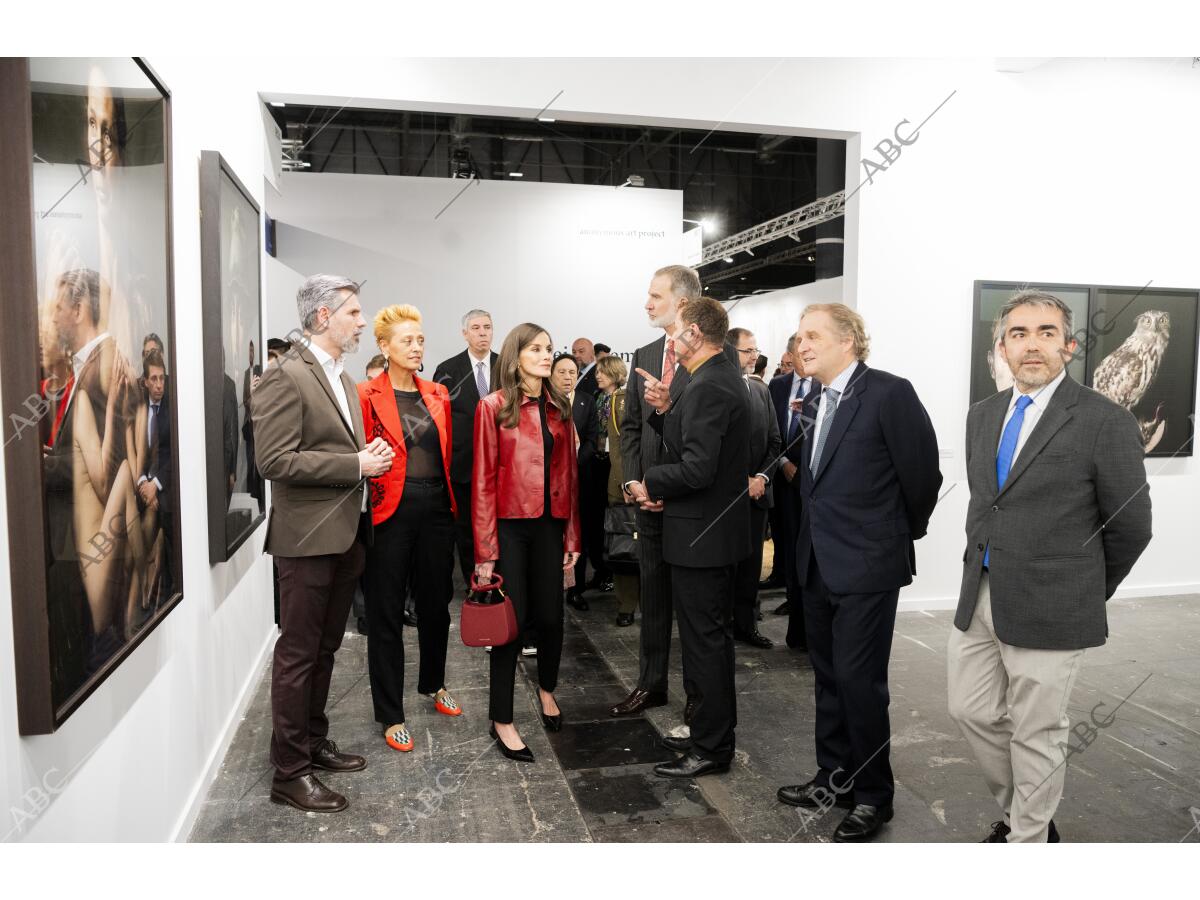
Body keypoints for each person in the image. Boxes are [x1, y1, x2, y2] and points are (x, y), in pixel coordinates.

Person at [949, 290, 1152, 843]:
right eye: (1018, 334)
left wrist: (1083, 588)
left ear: (1070, 344)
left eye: (1045, 332)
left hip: (1054, 603)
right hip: (982, 594)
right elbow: (985, 504)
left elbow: (1131, 527)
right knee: (970, 711)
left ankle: (1029, 842)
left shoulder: (1103, 420)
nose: (1031, 345)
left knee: (1037, 732)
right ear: (1002, 347)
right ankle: (1023, 812)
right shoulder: (983, 414)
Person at [776, 303, 942, 842]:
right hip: (818, 562)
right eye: (799, 337)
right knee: (827, 677)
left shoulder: (890, 393)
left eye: (813, 336)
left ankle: (874, 796)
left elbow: (922, 477)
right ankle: (835, 777)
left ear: (849, 340)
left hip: (868, 565)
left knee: (860, 682)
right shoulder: (818, 399)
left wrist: (893, 537)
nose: (802, 345)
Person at [253, 274, 394, 814]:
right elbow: (275, 462)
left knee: (326, 649)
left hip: (346, 535)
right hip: (307, 539)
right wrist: (355, 464)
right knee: (297, 654)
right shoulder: (285, 376)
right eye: (354, 313)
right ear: (321, 318)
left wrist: (363, 460)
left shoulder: (339, 373)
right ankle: (288, 773)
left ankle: (310, 744)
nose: (362, 321)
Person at [628, 297, 750, 779]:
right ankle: (710, 740)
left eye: (676, 330)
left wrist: (651, 484)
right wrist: (664, 409)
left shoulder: (709, 384)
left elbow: (698, 468)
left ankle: (712, 748)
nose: (670, 339)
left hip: (702, 538)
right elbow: (697, 447)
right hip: (706, 534)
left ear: (695, 333)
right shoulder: (711, 379)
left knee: (705, 648)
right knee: (708, 645)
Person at [473, 323, 581, 762]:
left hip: (551, 526)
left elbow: (570, 475)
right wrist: (485, 552)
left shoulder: (560, 407)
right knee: (510, 627)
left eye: (549, 349)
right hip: (510, 527)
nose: (545, 355)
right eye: (536, 348)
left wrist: (573, 533)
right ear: (516, 355)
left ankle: (547, 690)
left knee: (552, 619)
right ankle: (502, 718)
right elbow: (481, 481)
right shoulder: (492, 406)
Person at [358, 304, 461, 755]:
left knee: (437, 604)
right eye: (407, 340)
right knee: (385, 611)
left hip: (437, 505)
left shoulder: (437, 392)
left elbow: (446, 450)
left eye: (420, 340)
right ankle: (390, 712)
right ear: (384, 346)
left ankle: (433, 683)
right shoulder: (364, 394)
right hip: (389, 511)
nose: (417, 346)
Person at [609, 264, 701, 722]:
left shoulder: (705, 355)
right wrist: (633, 481)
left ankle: (699, 704)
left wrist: (668, 486)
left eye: (654, 296)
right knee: (654, 600)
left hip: (689, 504)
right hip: (646, 502)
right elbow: (630, 427)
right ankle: (651, 685)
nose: (646, 303)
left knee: (697, 614)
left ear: (682, 303)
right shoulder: (645, 352)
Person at [433, 309, 498, 587]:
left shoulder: (508, 366)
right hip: (463, 465)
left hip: (502, 464)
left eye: (487, 327)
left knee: (498, 528)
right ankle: (475, 586)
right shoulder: (448, 370)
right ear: (465, 333)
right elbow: (437, 422)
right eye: (476, 328)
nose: (482, 332)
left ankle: (499, 583)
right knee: (467, 531)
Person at [766, 333, 819, 646]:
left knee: (810, 552)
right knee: (787, 545)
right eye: (800, 351)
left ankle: (809, 622)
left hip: (811, 481)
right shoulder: (778, 386)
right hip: (783, 478)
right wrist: (783, 462)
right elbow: (771, 432)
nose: (805, 356)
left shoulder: (823, 386)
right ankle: (795, 617)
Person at [728, 327, 780, 648]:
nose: (754, 356)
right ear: (729, 351)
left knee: (750, 571)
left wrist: (760, 477)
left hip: (757, 496)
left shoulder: (761, 391)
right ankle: (719, 630)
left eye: (755, 350)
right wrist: (740, 481)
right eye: (748, 350)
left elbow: (775, 441)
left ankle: (746, 627)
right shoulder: (711, 390)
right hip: (723, 499)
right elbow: (712, 448)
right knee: (723, 571)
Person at [551, 352, 598, 611]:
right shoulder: (544, 402)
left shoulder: (586, 401)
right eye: (562, 372)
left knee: (580, 535)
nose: (568, 377)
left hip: (581, 477)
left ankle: (576, 589)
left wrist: (576, 460)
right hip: (551, 483)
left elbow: (592, 439)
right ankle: (552, 587)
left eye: (572, 373)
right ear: (551, 374)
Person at [596, 355, 640, 627]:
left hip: (626, 485)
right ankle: (628, 604)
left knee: (626, 545)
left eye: (602, 371)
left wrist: (627, 482)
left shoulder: (620, 400)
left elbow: (623, 446)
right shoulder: (610, 400)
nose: (598, 375)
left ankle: (627, 606)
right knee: (626, 546)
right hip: (628, 483)